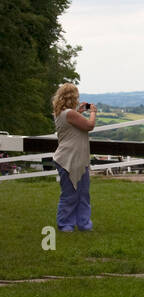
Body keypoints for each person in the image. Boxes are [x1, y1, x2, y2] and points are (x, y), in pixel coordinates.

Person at [51, 84, 95, 232]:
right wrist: (93, 112)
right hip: (69, 159)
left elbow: (73, 125)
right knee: (72, 194)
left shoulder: (61, 113)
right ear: (72, 96)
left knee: (80, 193)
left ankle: (79, 223)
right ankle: (67, 224)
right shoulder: (69, 113)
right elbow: (89, 125)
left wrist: (79, 112)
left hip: (74, 158)